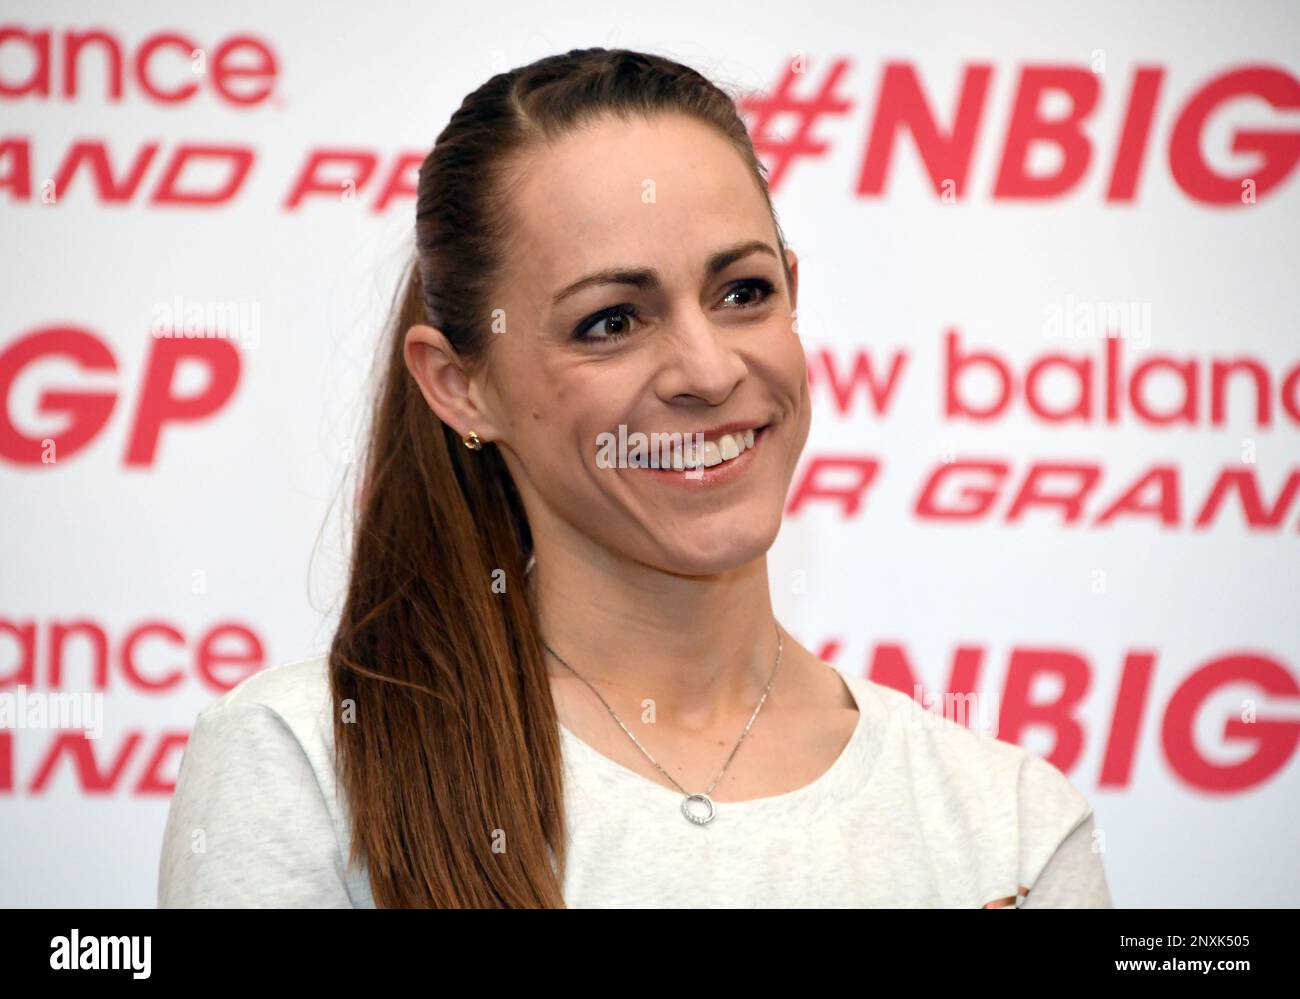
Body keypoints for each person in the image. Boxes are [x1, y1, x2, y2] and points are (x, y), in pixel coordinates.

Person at [157, 47, 1112, 909]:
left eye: (743, 293)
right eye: (612, 320)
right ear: (460, 387)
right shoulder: (308, 769)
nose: (707, 371)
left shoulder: (1008, 825)